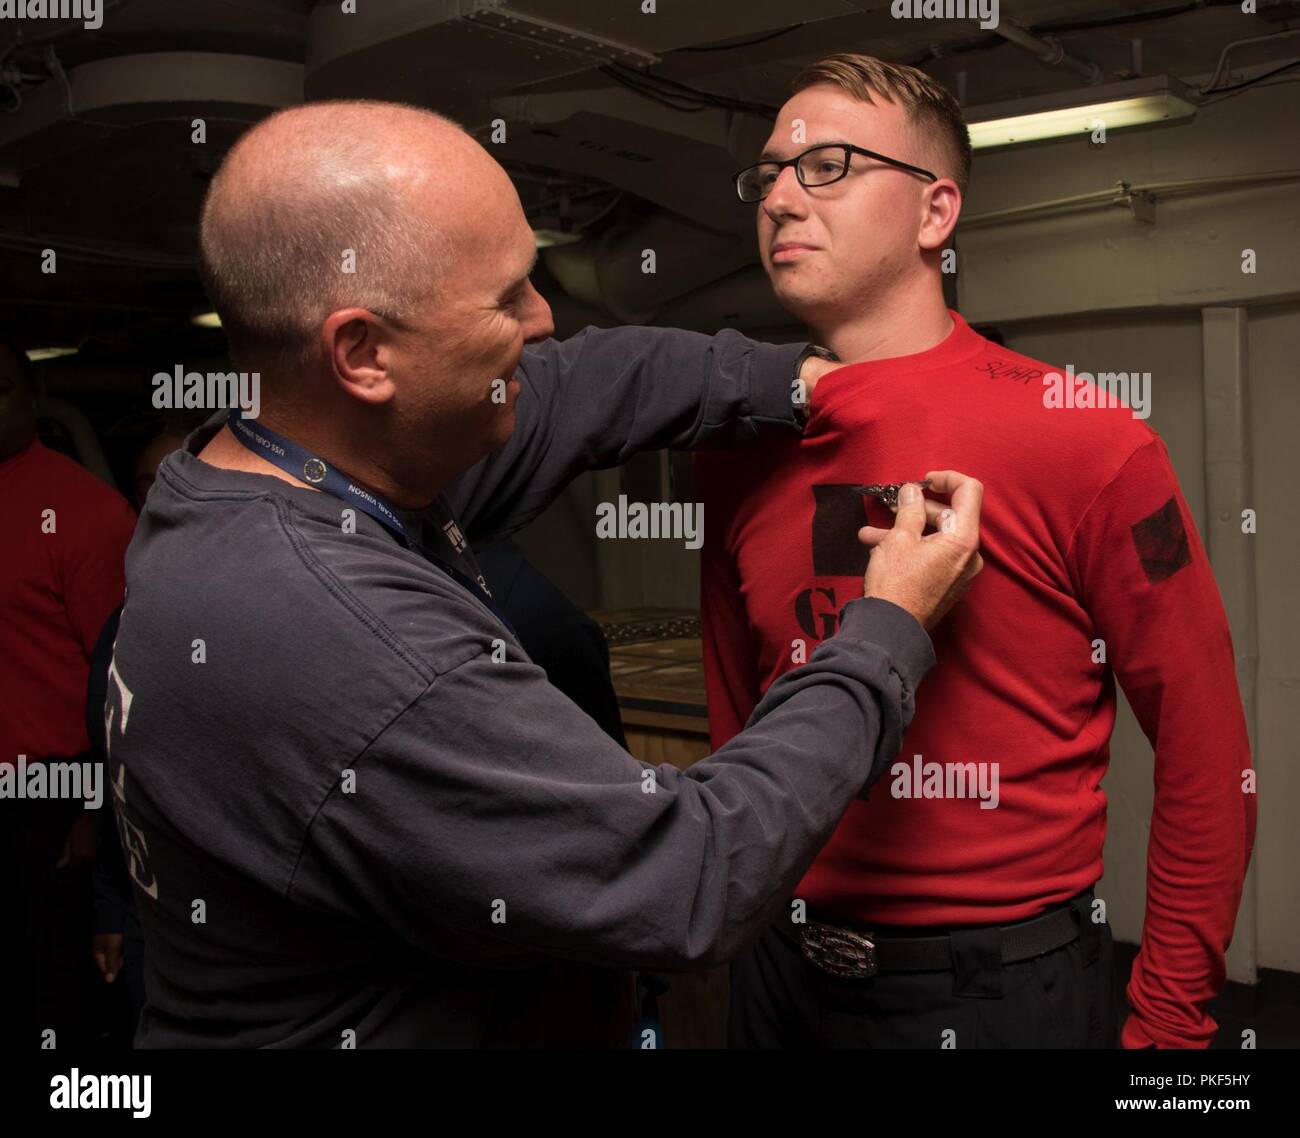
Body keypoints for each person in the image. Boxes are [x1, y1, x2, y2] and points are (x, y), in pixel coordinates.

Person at [104, 99, 983, 1048]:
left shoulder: (259, 472)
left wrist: (795, 383)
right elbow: (691, 873)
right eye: (506, 298)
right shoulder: (343, 637)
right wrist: (889, 627)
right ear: (363, 353)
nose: (543, 318)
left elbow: (580, 388)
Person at [698, 53, 1255, 1050]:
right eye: (768, 174)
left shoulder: (1084, 435)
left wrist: (1168, 1030)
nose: (781, 196)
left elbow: (1208, 753)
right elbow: (738, 733)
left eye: (826, 165)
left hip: (994, 993)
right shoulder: (735, 449)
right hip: (778, 976)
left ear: (934, 214)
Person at [0, 337, 138, 1049]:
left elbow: (128, 686)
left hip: (51, 804)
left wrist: (97, 812)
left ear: (31, 400)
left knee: (57, 998)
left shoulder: (86, 515)